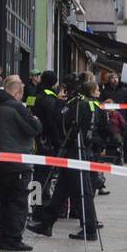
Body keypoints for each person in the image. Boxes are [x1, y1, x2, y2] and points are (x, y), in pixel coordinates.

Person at [28, 74, 100, 241]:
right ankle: (47, 223)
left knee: (82, 191)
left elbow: (62, 119)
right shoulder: (90, 104)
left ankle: (89, 228)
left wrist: (61, 104)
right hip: (73, 150)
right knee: (60, 190)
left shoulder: (76, 104)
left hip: (73, 150)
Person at [0, 75, 42, 251]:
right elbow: (35, 129)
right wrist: (36, 119)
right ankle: (14, 239)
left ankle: (3, 238)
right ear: (17, 92)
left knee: (2, 202)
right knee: (17, 202)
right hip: (17, 161)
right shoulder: (16, 107)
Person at [29, 71, 62, 213]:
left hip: (35, 139)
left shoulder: (33, 95)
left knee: (37, 174)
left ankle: (35, 203)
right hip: (46, 141)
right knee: (45, 175)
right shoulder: (50, 98)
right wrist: (58, 142)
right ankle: (42, 205)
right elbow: (52, 123)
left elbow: (28, 112)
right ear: (53, 83)